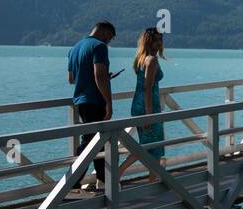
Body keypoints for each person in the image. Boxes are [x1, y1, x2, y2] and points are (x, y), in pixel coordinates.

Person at [66, 21, 115, 191]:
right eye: (110, 37)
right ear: (104, 32)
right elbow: (99, 75)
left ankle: (104, 180)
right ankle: (72, 182)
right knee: (90, 142)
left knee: (98, 142)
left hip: (80, 101)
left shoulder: (74, 48)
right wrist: (109, 101)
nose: (109, 41)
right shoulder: (99, 47)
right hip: (95, 101)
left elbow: (71, 79)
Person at [122, 27, 167, 181]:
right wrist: (149, 115)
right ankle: (117, 172)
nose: (159, 43)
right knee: (152, 145)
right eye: (156, 39)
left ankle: (152, 179)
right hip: (149, 106)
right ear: (149, 41)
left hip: (139, 104)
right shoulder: (152, 60)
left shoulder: (141, 58)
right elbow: (147, 88)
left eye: (161, 39)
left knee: (149, 144)